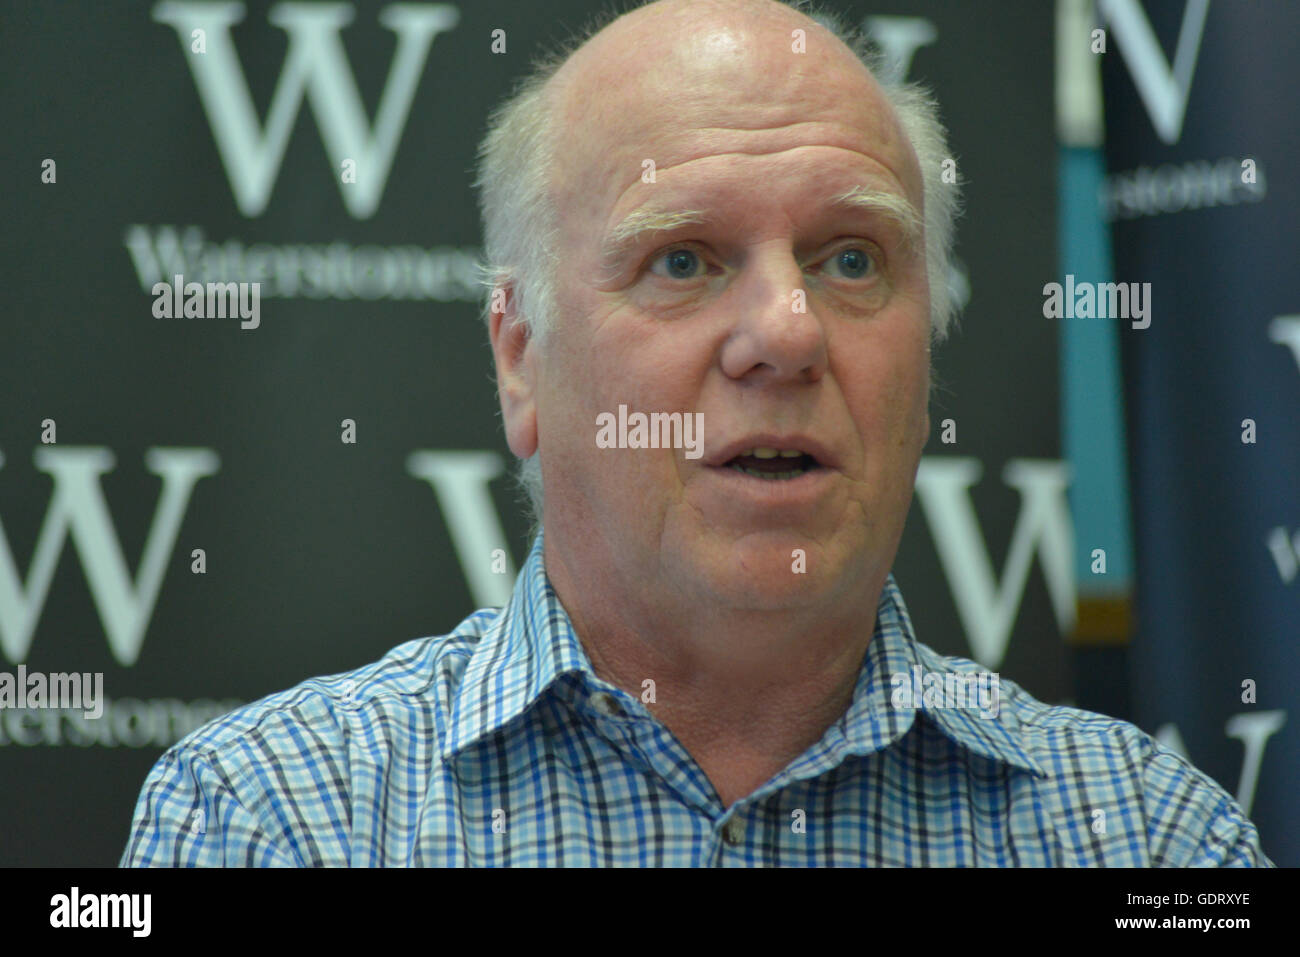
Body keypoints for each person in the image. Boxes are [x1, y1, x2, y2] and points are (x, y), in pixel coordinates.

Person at [121, 0, 1272, 866]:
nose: (785, 332)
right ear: (520, 357)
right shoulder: (268, 821)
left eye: (852, 259)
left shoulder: (1147, 841)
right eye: (683, 260)